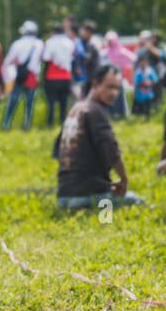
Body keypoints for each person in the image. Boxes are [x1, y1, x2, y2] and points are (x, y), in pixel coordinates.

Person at [55, 65, 144, 210]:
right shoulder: (95, 111)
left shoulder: (75, 109)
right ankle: (106, 220)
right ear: (95, 84)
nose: (113, 93)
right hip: (89, 196)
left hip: (63, 198)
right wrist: (123, 179)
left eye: (117, 88)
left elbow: (57, 151)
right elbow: (111, 149)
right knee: (136, 201)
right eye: (109, 87)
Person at [2, 21, 42, 131]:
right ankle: (27, 124)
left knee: (13, 100)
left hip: (18, 75)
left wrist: (8, 78)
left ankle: (6, 123)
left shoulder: (17, 44)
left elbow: (8, 61)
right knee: (29, 102)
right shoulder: (39, 44)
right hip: (32, 76)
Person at [41, 23, 76, 127]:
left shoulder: (50, 42)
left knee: (51, 102)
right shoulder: (70, 42)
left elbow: (46, 58)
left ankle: (50, 123)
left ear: (53, 32)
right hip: (66, 76)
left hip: (52, 76)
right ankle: (63, 122)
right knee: (64, 102)